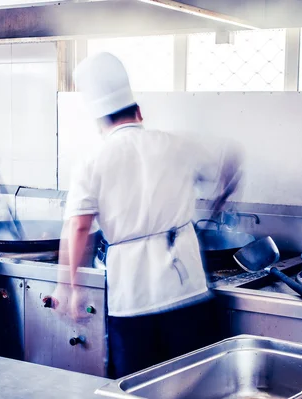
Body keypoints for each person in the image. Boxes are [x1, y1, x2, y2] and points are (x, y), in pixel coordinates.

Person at [56, 52, 243, 379]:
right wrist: (222, 198)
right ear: (138, 111)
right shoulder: (176, 145)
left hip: (132, 301)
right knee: (198, 387)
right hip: (187, 292)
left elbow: (79, 227)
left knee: (139, 388)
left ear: (100, 122)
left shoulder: (92, 161)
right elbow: (231, 159)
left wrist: (69, 288)